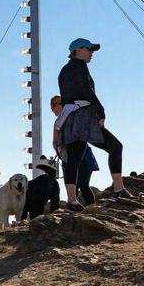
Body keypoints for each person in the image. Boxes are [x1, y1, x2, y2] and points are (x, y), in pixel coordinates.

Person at [57, 38, 134, 212]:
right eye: (89, 49)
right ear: (77, 50)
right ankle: (119, 189)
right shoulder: (79, 66)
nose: (92, 52)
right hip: (85, 115)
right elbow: (87, 91)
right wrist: (100, 110)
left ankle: (71, 200)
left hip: (70, 116)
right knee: (115, 147)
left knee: (73, 158)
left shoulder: (64, 70)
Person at [51, 95, 100, 205]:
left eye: (53, 106)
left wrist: (56, 144)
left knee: (83, 184)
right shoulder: (64, 118)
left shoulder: (68, 115)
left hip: (83, 157)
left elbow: (56, 134)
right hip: (71, 157)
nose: (53, 109)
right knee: (75, 184)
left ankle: (91, 207)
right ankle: (75, 204)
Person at [22, 156, 61, 220]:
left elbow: (23, 213)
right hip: (52, 184)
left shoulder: (22, 194)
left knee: (35, 210)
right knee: (55, 207)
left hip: (39, 188)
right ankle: (56, 219)